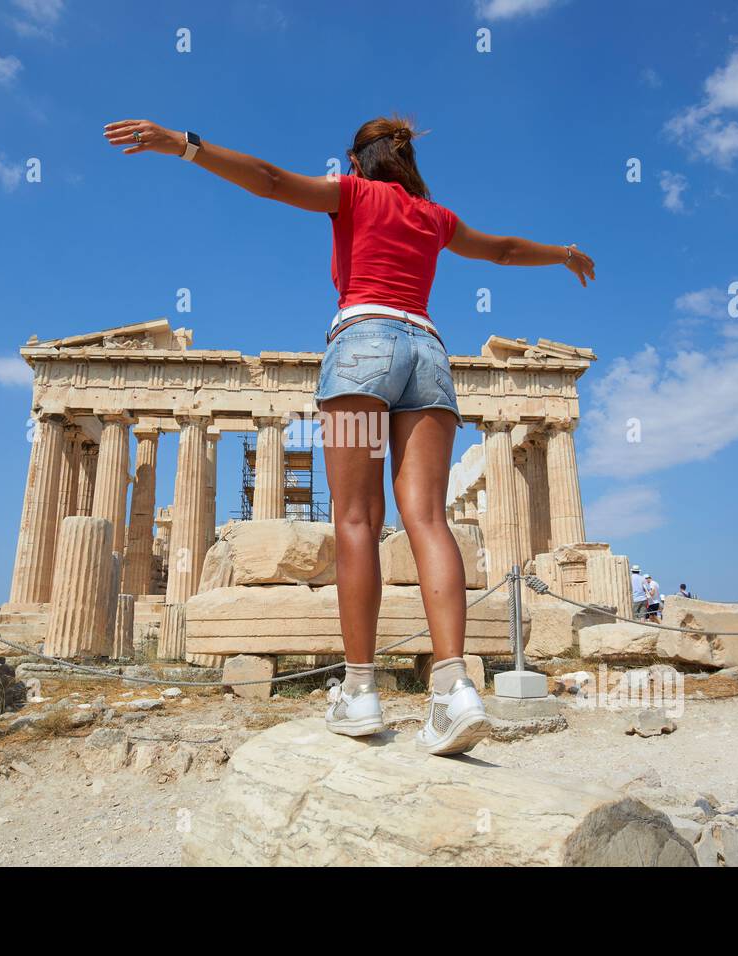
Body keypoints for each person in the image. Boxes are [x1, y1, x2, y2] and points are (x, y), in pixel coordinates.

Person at [105, 115, 595, 756]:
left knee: (358, 519)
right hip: (429, 356)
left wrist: (187, 146)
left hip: (364, 349)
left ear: (357, 162)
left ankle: (360, 691)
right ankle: (455, 689)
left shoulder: (354, 194)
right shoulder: (435, 215)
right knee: (427, 520)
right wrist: (561, 254)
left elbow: (272, 181)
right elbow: (501, 250)